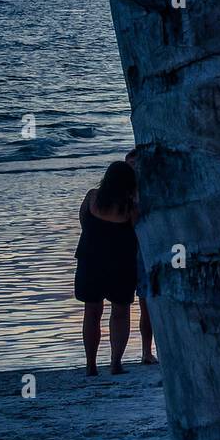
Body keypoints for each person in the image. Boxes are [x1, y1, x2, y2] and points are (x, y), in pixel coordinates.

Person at [74, 161, 139, 375]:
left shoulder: (93, 198)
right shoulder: (130, 207)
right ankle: (115, 363)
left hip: (90, 260)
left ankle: (91, 365)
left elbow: (84, 222)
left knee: (91, 312)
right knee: (120, 312)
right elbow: (137, 232)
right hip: (121, 263)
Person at [125, 149, 157, 365]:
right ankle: (145, 351)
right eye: (130, 166)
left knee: (149, 303)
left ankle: (147, 351)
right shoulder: (124, 194)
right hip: (132, 250)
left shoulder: (151, 190)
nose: (133, 170)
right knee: (138, 303)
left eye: (135, 166)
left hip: (148, 249)